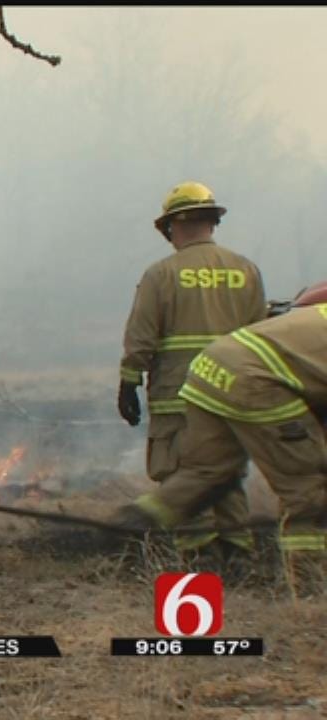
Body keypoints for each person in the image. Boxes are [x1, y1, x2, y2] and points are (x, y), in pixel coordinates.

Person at [112, 282, 327, 577]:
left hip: (210, 367)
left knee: (208, 472)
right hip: (257, 381)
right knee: (309, 491)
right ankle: (311, 586)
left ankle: (137, 520)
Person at [117, 181, 265, 557]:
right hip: (235, 393)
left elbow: (142, 336)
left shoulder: (161, 274)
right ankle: (238, 553)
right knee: (224, 471)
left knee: (181, 472)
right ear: (212, 222)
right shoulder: (246, 270)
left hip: (178, 394)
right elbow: (261, 336)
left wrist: (128, 382)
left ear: (173, 226)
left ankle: (198, 556)